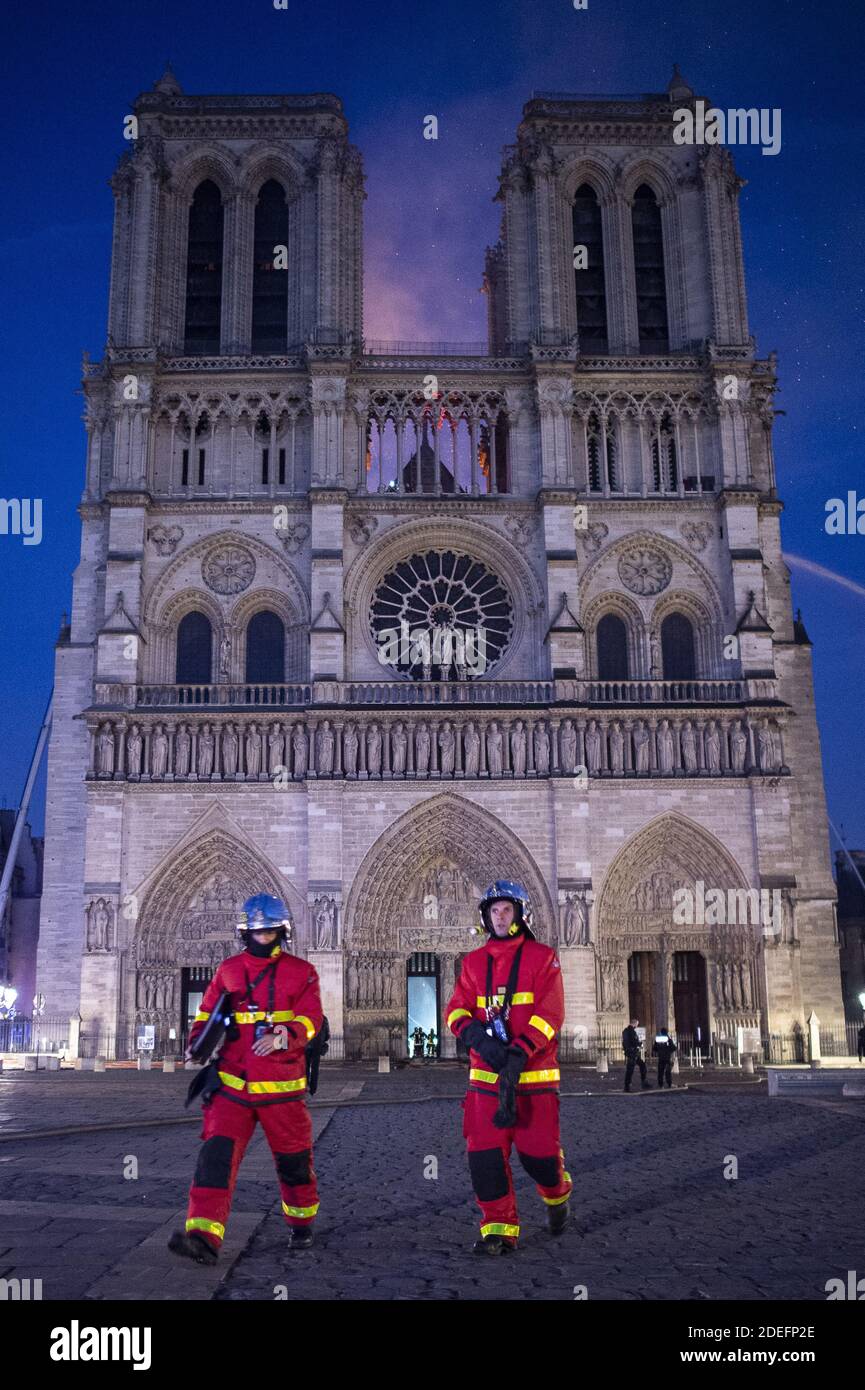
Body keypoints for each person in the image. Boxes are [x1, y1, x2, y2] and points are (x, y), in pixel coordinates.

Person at [168, 893, 324, 1264]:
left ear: (281, 932)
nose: (263, 937)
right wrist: (196, 1045)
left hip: (282, 1088)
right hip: (232, 1085)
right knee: (214, 1159)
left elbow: (311, 1018)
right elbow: (207, 1013)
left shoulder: (302, 972)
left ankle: (301, 1222)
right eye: (257, 932)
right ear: (244, 933)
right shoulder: (228, 970)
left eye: (270, 931)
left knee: (294, 1163)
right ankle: (203, 1237)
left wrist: (284, 1035)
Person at [445, 880, 572, 1254]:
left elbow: (552, 1012)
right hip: (486, 1082)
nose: (500, 917)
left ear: (519, 915)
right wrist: (476, 1038)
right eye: (494, 911)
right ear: (486, 917)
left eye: (507, 910)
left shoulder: (543, 957)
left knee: (541, 1158)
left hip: (533, 1078)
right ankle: (498, 1229)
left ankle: (557, 1191)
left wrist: (521, 1050)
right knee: (484, 1158)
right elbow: (455, 1009)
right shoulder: (472, 963)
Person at [622, 1018, 650, 1092]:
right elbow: (634, 1041)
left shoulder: (625, 1031)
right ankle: (627, 1087)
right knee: (630, 1070)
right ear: (634, 1024)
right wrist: (640, 1043)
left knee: (641, 1065)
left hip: (629, 1052)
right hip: (633, 1053)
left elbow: (624, 1042)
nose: (637, 1026)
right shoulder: (631, 1031)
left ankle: (643, 1082)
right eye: (637, 1024)